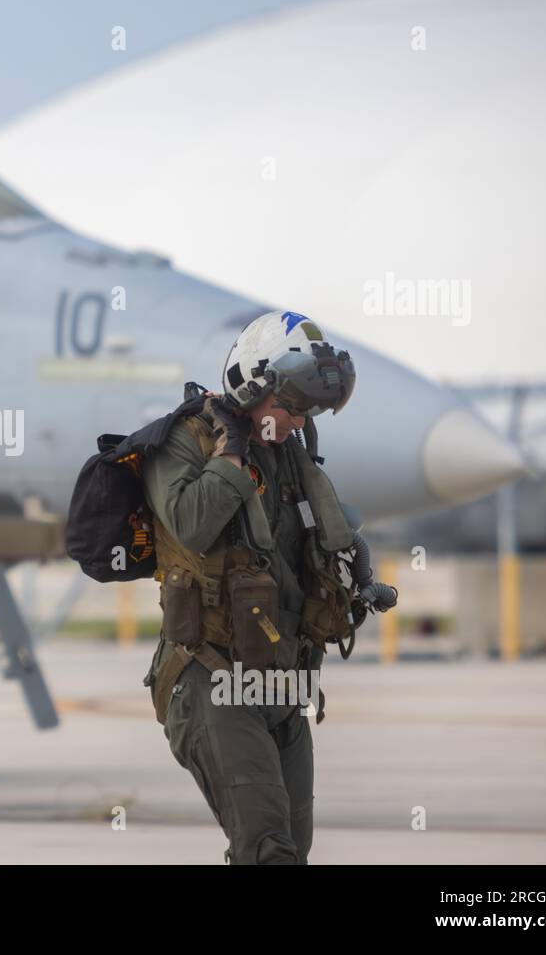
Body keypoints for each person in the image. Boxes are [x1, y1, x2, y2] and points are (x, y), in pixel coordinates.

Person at [141, 310, 358, 864]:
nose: (295, 420)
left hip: (282, 687)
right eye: (289, 405)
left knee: (291, 851)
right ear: (253, 385)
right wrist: (231, 453)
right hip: (212, 680)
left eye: (306, 410)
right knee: (268, 851)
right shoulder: (185, 443)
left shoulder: (289, 454)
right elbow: (192, 522)